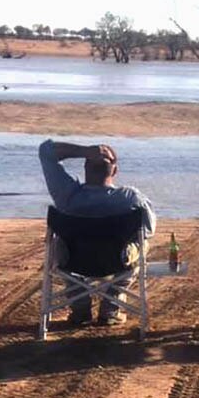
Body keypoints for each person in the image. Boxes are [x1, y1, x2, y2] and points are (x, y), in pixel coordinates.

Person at [39, 139, 156, 326]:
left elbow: (46, 151)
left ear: (85, 169)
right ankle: (111, 307)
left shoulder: (67, 195)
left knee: (59, 245)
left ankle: (80, 307)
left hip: (73, 261)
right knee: (142, 242)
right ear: (115, 171)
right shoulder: (130, 198)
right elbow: (149, 229)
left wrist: (85, 150)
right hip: (116, 261)